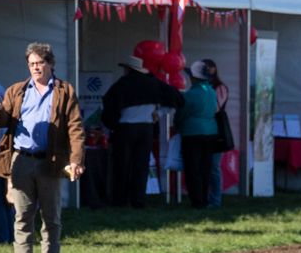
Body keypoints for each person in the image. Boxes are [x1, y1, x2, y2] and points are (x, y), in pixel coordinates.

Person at [0, 42, 86, 253]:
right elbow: (4, 121)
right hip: (21, 160)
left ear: (50, 64)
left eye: (40, 63)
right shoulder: (17, 90)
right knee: (22, 215)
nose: (36, 68)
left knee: (51, 218)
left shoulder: (65, 91)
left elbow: (75, 128)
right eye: (32, 63)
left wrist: (76, 159)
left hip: (51, 160)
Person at [100, 54, 184, 207]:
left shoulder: (122, 84)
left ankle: (120, 200)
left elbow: (109, 106)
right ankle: (138, 200)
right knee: (141, 166)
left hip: (125, 129)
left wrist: (111, 124)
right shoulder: (153, 83)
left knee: (122, 165)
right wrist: (159, 112)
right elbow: (176, 97)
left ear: (128, 69)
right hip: (146, 129)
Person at [179, 60, 222, 208]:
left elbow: (181, 114)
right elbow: (216, 111)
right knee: (205, 168)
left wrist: (178, 126)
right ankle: (204, 199)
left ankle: (197, 201)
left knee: (193, 169)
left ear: (194, 77)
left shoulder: (190, 94)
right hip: (211, 132)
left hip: (192, 133)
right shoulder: (211, 91)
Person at [201, 59, 233, 207]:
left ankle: (215, 200)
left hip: (216, 130)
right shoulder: (202, 86)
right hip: (204, 128)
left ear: (214, 69)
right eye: (203, 68)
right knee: (204, 166)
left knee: (213, 167)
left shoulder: (220, 87)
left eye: (208, 68)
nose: (206, 71)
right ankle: (205, 198)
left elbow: (216, 108)